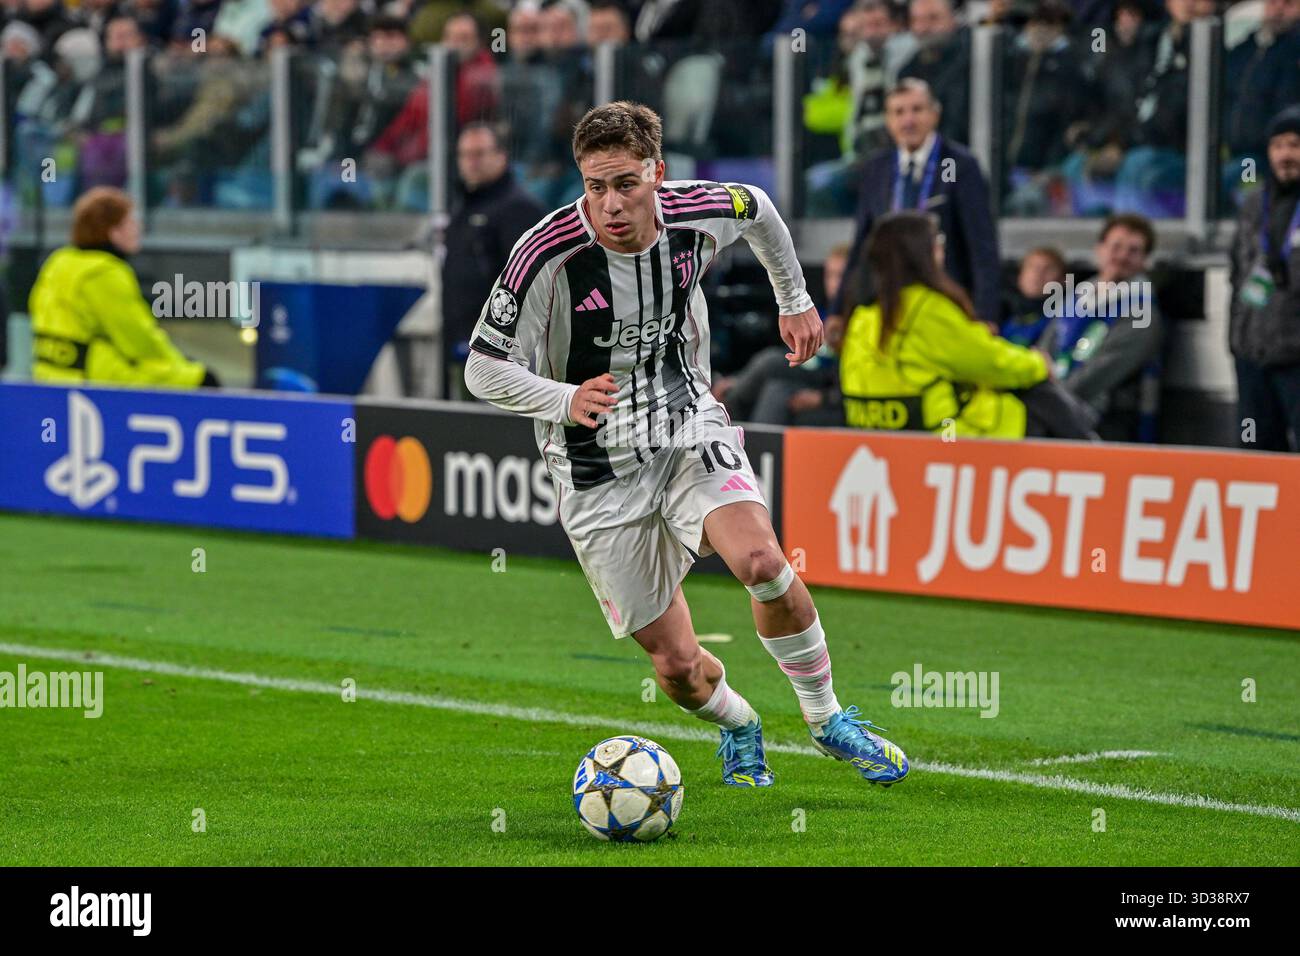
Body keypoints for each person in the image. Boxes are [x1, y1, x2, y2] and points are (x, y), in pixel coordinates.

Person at [465, 101, 909, 791]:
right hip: (594, 464)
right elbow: (482, 366)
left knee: (762, 562)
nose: (611, 204)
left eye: (626, 184)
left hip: (684, 422)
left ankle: (826, 719)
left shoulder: (696, 210)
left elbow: (759, 207)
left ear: (657, 173)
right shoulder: (544, 253)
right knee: (677, 668)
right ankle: (740, 724)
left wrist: (794, 298)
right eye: (595, 186)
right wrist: (564, 399)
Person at [839, 211, 1095, 438]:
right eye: (938, 242)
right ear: (920, 252)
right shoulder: (925, 307)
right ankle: (1098, 459)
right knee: (1042, 395)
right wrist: (1038, 364)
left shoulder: (863, 312)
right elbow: (990, 363)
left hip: (877, 433)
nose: (942, 250)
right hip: (944, 433)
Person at [833, 78, 1001, 324]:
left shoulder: (959, 165)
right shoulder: (875, 169)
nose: (908, 120)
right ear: (888, 120)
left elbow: (982, 248)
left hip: (946, 306)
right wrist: (838, 311)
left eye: (917, 109)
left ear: (935, 114)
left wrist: (986, 315)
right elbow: (861, 245)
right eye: (899, 112)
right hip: (888, 304)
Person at [30, 186, 216, 387]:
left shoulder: (58, 262)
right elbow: (139, 339)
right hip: (97, 381)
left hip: (49, 375)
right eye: (130, 222)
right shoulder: (104, 272)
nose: (138, 228)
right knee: (204, 380)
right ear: (113, 232)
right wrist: (187, 371)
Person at [440, 122, 545, 398]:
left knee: (494, 423)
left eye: (479, 154)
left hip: (499, 352)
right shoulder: (463, 206)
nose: (470, 162)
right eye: (464, 155)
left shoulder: (519, 209)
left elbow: (526, 285)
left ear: (501, 156)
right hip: (462, 341)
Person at [1038, 212, 1163, 440]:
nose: (1123, 256)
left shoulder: (1142, 312)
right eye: (1116, 246)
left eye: (1133, 250)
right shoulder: (1076, 297)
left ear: (1145, 260)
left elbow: (1096, 377)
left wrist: (1044, 398)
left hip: (1104, 428)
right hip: (1055, 411)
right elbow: (1044, 349)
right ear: (1100, 249)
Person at [711, 243, 850, 425]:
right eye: (829, 275)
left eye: (840, 276)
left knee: (770, 362)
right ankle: (743, 434)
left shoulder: (857, 316)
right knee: (775, 389)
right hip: (804, 369)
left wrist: (824, 397)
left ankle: (725, 408)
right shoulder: (820, 310)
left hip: (825, 378)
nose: (833, 284)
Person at [1230, 105, 1300, 451]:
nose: (1285, 155)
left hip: (1296, 356)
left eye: (1295, 145)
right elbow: (1236, 273)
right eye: (1277, 145)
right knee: (1255, 455)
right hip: (1253, 356)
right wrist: (1237, 341)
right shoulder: (1254, 203)